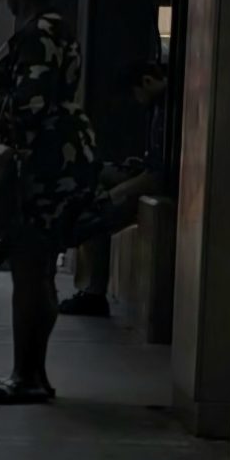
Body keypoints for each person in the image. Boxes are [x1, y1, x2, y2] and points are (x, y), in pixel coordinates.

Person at [0, 0, 100, 405]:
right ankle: (31, 374)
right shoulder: (57, 30)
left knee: (30, 269)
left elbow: (29, 105)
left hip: (41, 167)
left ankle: (28, 377)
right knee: (37, 270)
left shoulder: (40, 32)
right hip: (57, 158)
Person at [59, 62, 170, 317]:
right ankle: (89, 288)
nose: (136, 100)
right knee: (90, 177)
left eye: (136, 93)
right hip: (148, 176)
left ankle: (93, 292)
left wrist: (114, 194)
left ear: (146, 82)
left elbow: (156, 177)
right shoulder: (160, 107)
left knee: (94, 214)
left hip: (155, 184)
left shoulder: (164, 110)